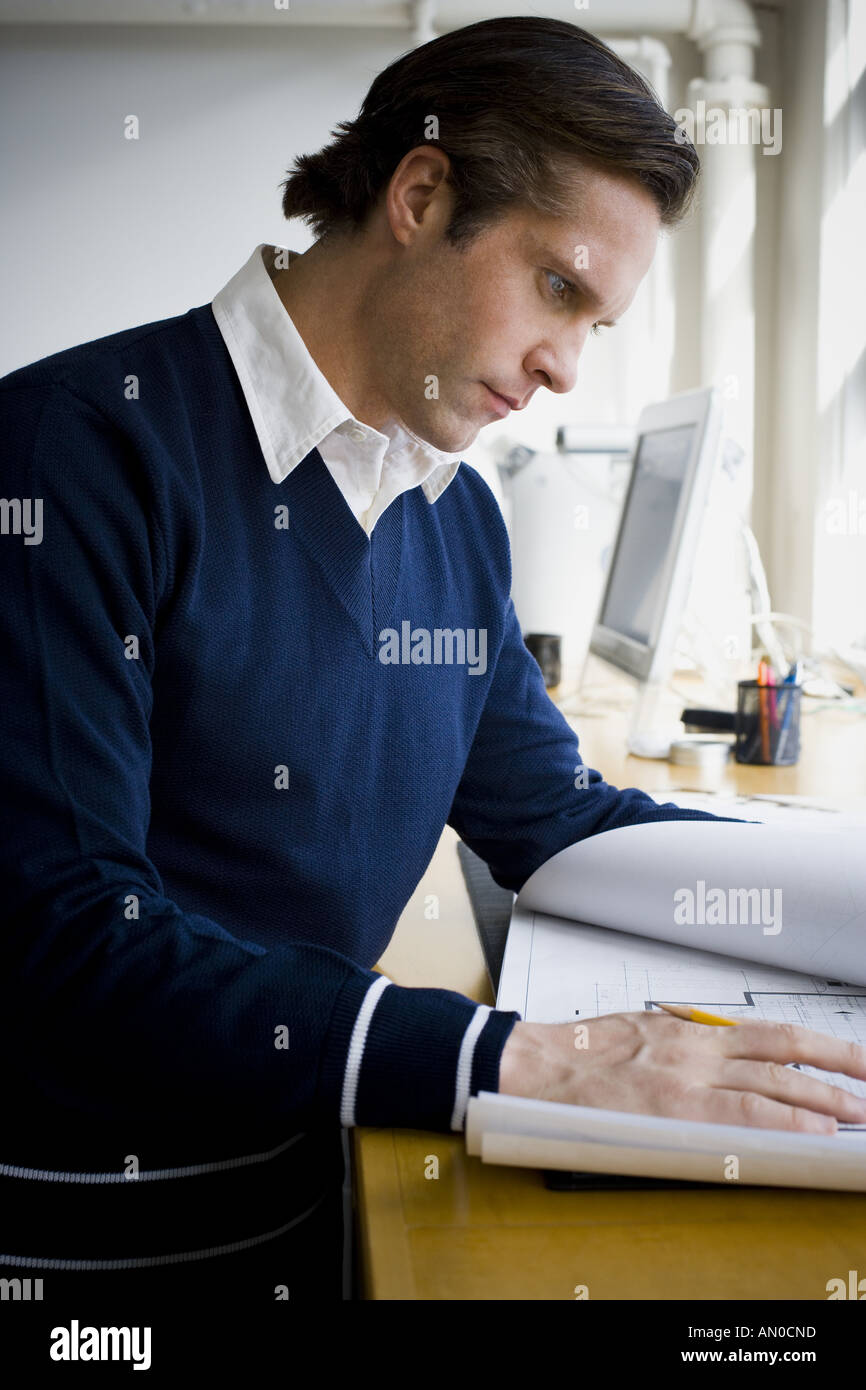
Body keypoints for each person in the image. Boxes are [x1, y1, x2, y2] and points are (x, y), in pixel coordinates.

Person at [2, 15, 865, 1316]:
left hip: (319, 1169)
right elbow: (66, 942)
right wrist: (518, 1056)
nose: (568, 366)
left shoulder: (451, 511)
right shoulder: (72, 456)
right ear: (419, 195)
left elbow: (551, 817)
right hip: (106, 1247)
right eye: (559, 289)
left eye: (598, 319)